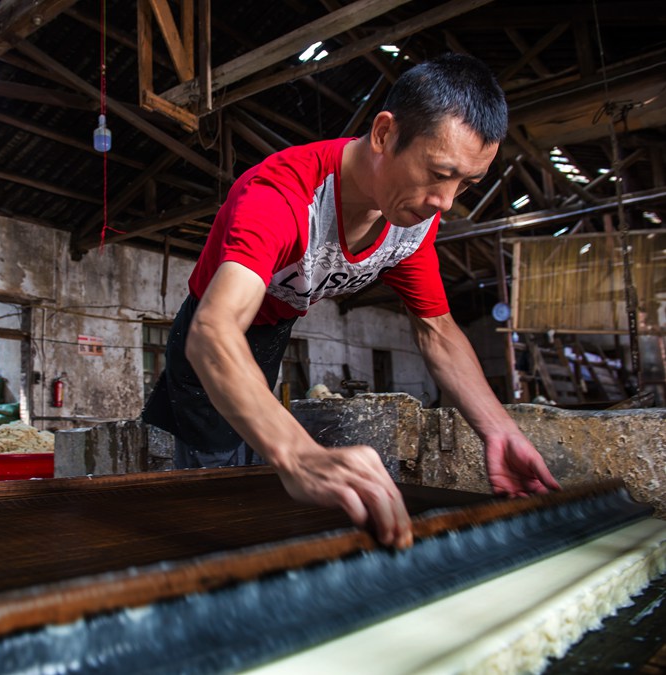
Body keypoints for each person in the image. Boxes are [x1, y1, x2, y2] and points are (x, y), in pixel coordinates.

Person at [142, 53, 560, 550]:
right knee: (215, 473)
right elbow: (212, 334)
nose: (446, 202)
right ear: (384, 134)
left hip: (275, 328)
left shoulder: (413, 220)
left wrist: (499, 431)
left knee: (254, 460)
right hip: (213, 326)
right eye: (438, 173)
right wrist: (299, 453)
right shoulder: (280, 196)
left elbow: (438, 331)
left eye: (466, 183)